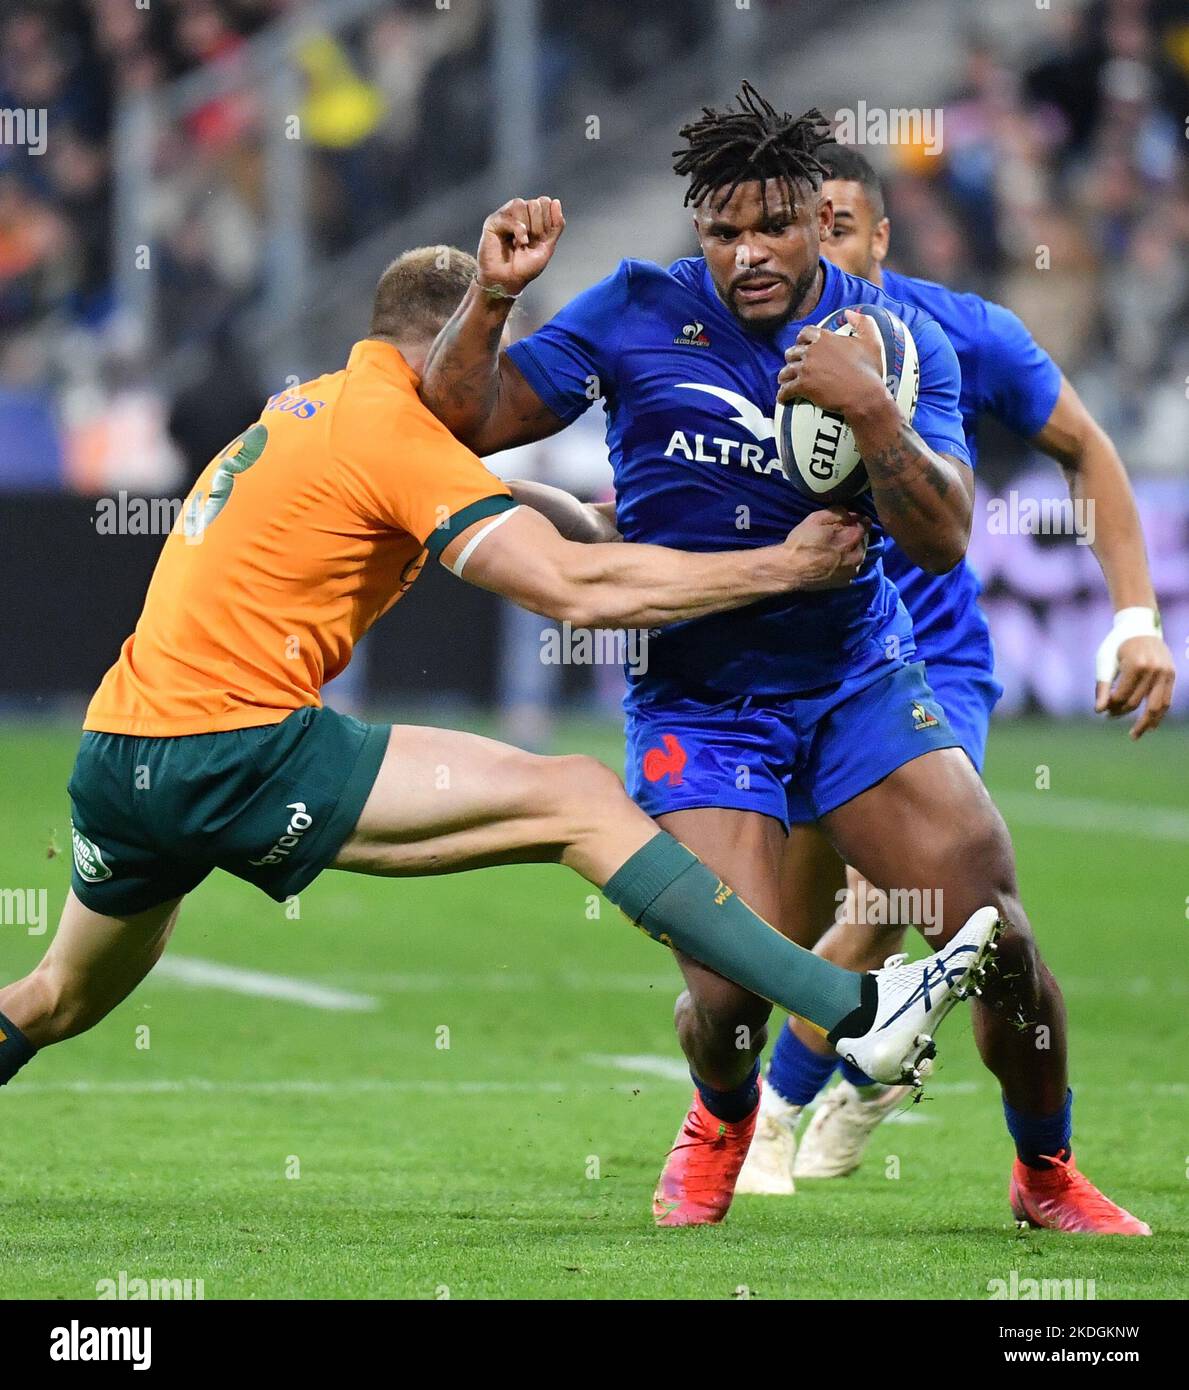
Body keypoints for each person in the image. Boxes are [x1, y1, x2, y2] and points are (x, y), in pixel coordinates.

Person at [0, 246, 997, 1147]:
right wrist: (782, 568)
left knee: (53, 999)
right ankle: (861, 1014)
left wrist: (636, 525)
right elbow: (572, 590)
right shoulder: (395, 428)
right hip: (235, 747)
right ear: (444, 345)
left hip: (118, 753)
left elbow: (535, 520)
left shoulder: (311, 409)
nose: (487, 399)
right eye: (479, 366)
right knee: (576, 795)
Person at [418, 83, 1149, 1234]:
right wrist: (493, 297)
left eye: (773, 225)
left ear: (819, 217)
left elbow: (945, 535)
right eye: (723, 231)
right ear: (695, 228)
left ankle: (1044, 1171)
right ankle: (720, 1112)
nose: (748, 253)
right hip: (701, 700)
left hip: (856, 678)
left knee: (996, 936)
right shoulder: (631, 309)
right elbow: (467, 418)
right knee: (728, 989)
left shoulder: (895, 339)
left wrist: (873, 416)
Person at [733, 143, 1173, 1220]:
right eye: (802, 227)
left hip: (927, 664)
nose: (816, 248)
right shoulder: (734, 334)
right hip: (780, 676)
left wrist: (1134, 619)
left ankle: (812, 1112)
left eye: (839, 226)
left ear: (880, 237)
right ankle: (818, 1077)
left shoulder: (960, 333)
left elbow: (1086, 447)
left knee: (926, 899)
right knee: (776, 938)